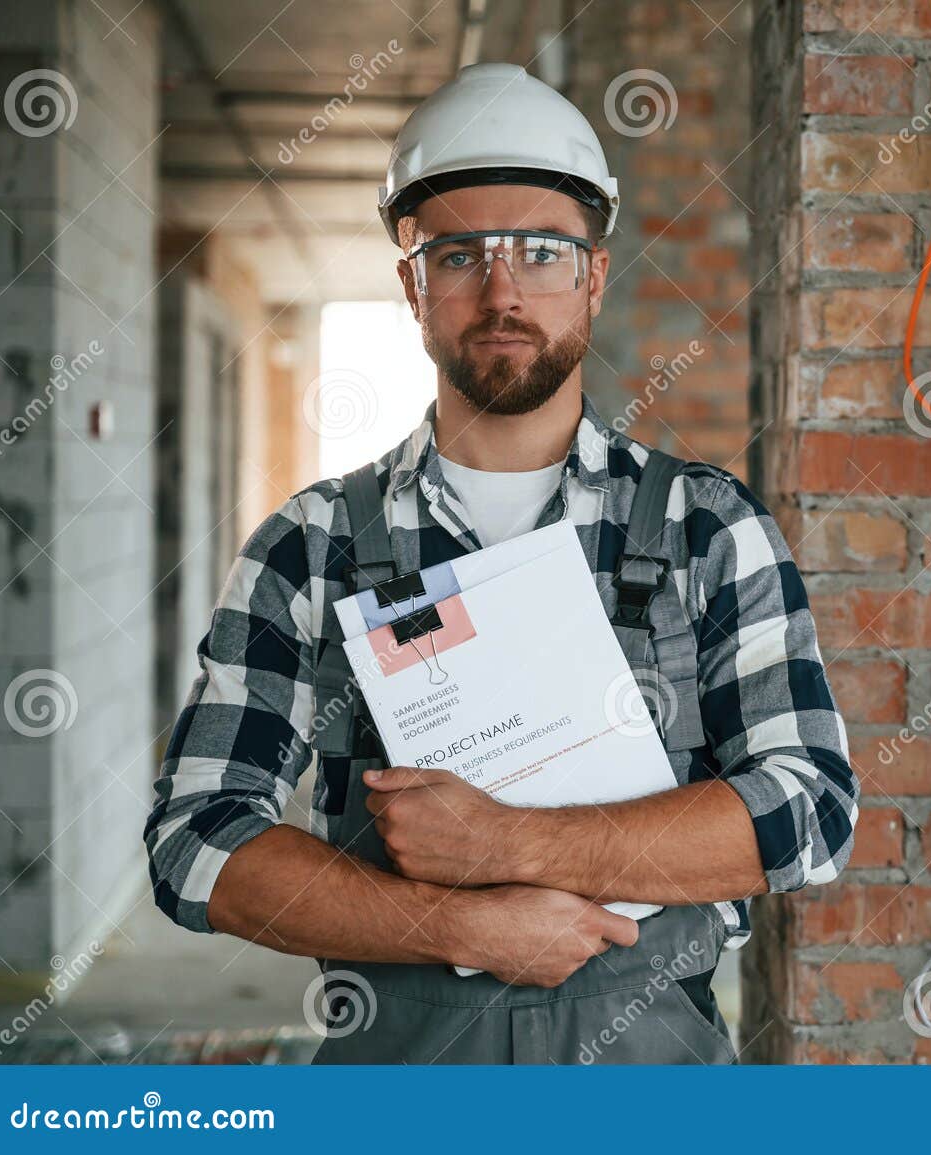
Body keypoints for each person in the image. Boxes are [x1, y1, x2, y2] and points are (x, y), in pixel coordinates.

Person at [142, 62, 857, 1064]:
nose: (503, 289)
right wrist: (453, 927)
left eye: (543, 251)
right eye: (460, 253)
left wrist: (510, 845)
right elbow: (196, 844)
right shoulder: (311, 547)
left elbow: (811, 809)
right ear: (412, 284)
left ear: (595, 276)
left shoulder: (708, 529)